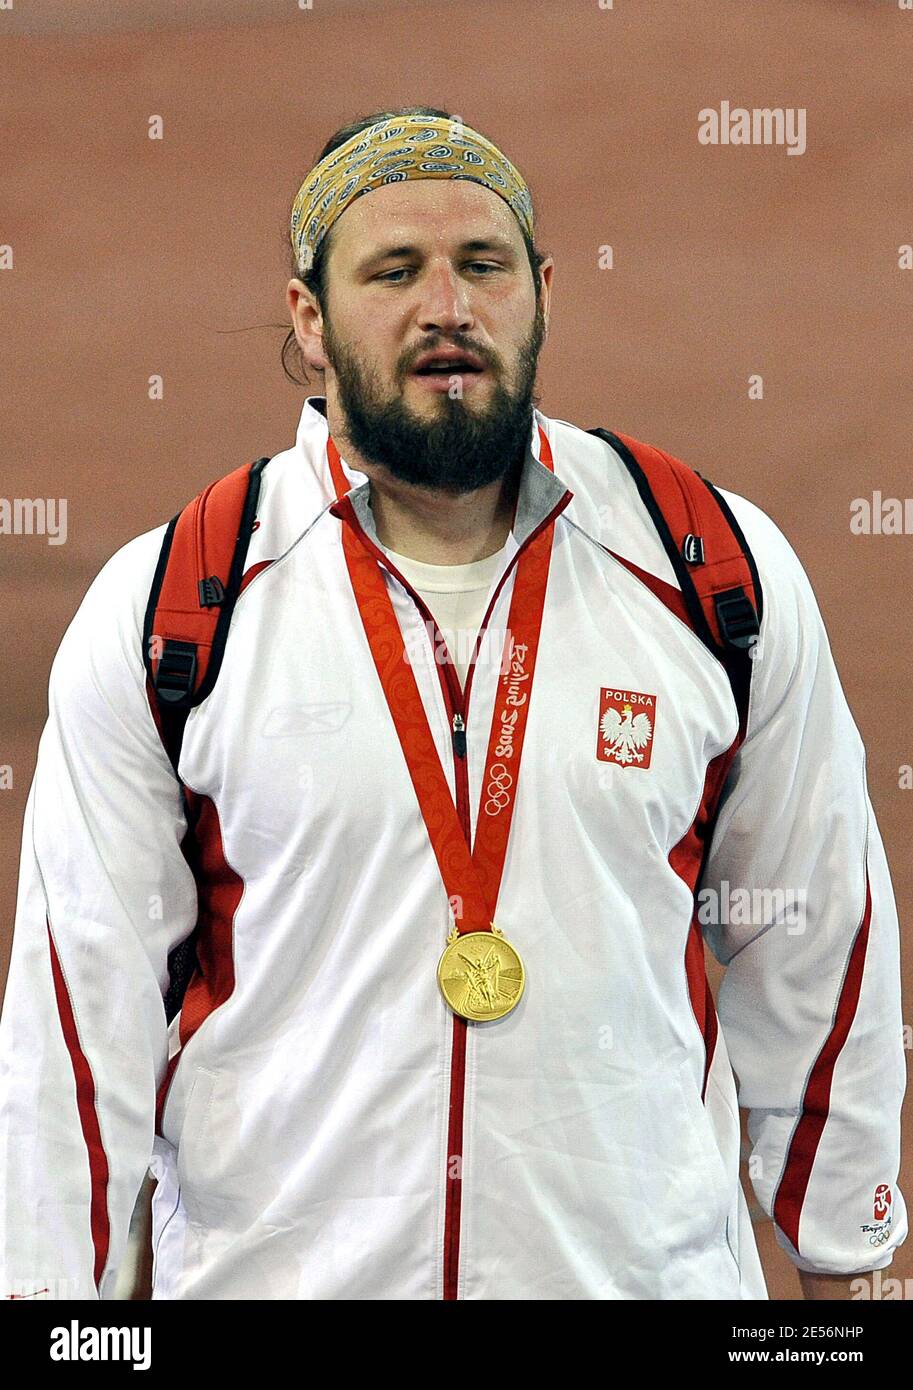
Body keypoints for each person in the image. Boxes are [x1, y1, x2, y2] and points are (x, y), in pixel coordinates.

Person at [0, 105, 906, 1301]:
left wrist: (851, 1271)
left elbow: (818, 949)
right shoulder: (177, 607)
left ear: (539, 291)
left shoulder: (707, 570)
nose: (446, 306)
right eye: (393, 271)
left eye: (481, 264)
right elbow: (81, 1023)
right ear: (309, 323)